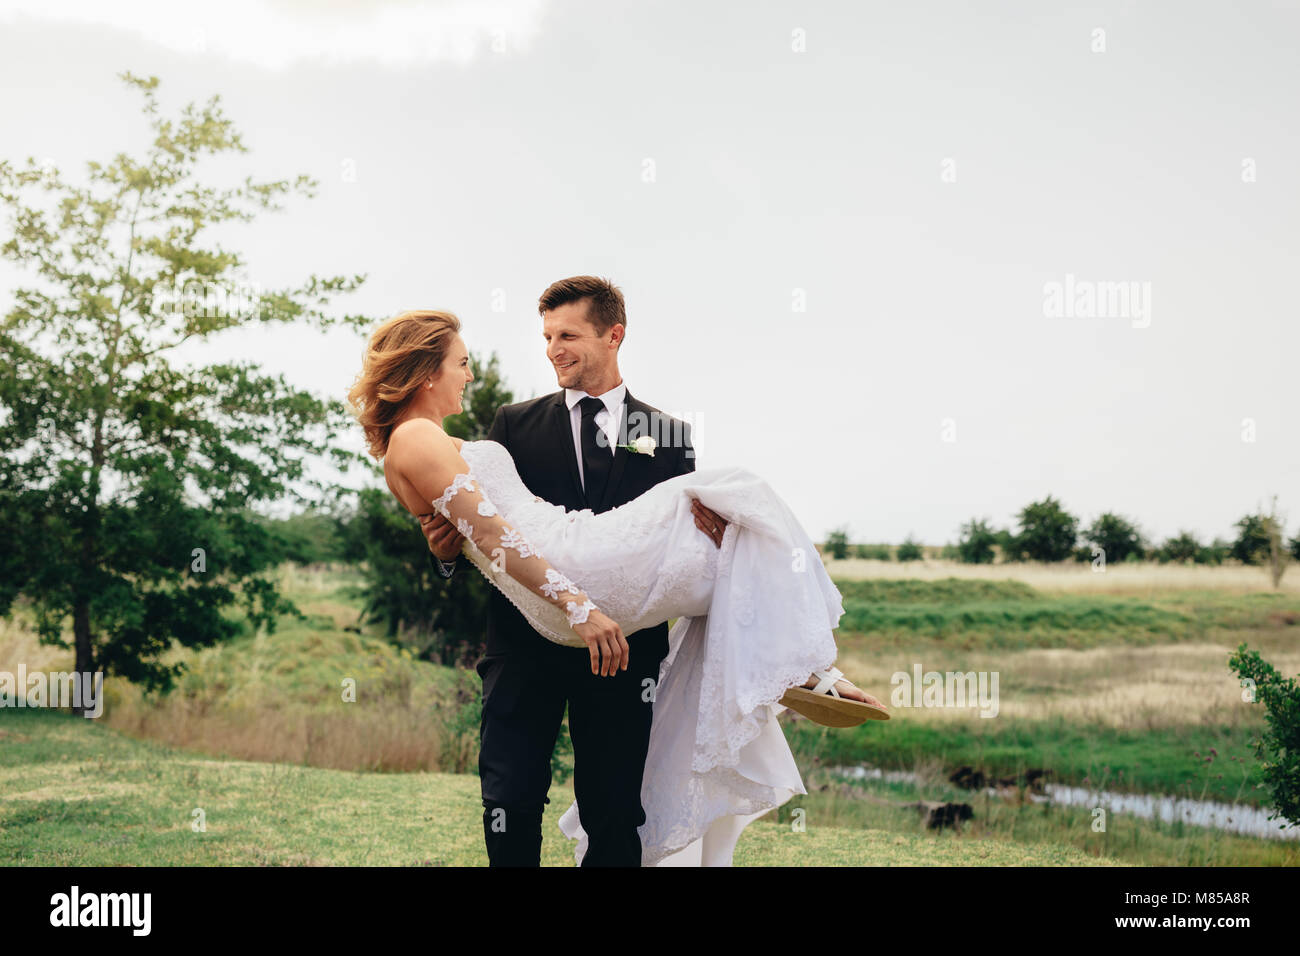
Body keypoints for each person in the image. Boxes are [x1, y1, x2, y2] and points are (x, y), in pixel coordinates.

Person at [348, 283, 887, 867]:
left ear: (614, 335)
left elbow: (480, 517)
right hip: (537, 633)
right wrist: (448, 549)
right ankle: (800, 665)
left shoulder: (670, 431)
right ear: (429, 371)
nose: (553, 349)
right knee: (511, 800)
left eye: (567, 336)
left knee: (616, 809)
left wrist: (705, 527)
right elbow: (486, 534)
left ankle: (791, 666)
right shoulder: (511, 422)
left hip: (623, 645)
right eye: (547, 337)